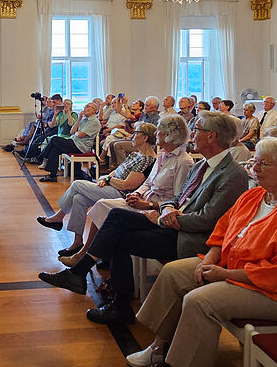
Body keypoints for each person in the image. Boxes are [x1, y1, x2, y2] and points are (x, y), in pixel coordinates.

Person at [126, 136, 277, 367]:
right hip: (234, 270)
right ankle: (158, 347)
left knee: (201, 301)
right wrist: (210, 258)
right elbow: (223, 229)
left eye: (263, 164)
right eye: (255, 162)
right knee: (174, 272)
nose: (254, 168)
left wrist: (224, 274)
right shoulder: (254, 196)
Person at [37, 111, 250, 326]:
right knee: (116, 216)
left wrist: (160, 217)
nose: (192, 135)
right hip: (172, 224)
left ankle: (104, 293)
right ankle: (87, 279)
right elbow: (177, 198)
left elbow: (208, 220)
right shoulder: (201, 165)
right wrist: (166, 209)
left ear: (211, 136)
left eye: (197, 130)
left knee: (117, 234)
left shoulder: (233, 174)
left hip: (189, 238)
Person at [67, 115, 195, 266]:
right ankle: (92, 253)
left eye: (158, 131)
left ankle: (86, 254)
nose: (155, 134)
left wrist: (148, 205)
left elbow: (177, 198)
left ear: (168, 135)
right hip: (142, 201)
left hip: (156, 211)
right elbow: (148, 182)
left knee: (95, 200)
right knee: (98, 204)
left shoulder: (184, 161)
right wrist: (137, 193)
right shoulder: (163, 156)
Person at [38, 123, 158, 257]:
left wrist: (107, 180)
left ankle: (58, 218)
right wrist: (106, 177)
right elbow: (116, 172)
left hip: (121, 194)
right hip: (111, 186)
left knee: (77, 184)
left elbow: (127, 185)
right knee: (78, 199)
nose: (133, 136)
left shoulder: (148, 160)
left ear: (145, 138)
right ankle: (77, 241)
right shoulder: (135, 154)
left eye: (136, 133)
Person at [37, 102, 101, 182]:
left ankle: (41, 156)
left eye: (89, 107)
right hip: (73, 141)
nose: (86, 108)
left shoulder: (94, 122)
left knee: (54, 139)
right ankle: (52, 175)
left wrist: (77, 133)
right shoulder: (84, 120)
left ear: (94, 111)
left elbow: (80, 135)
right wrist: (79, 118)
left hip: (80, 146)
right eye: (85, 107)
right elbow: (72, 131)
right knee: (55, 149)